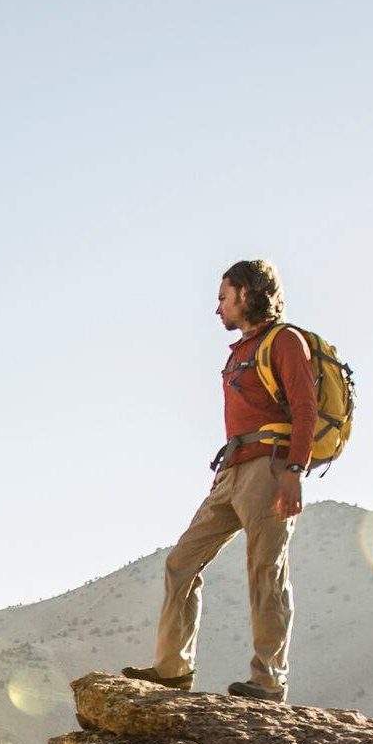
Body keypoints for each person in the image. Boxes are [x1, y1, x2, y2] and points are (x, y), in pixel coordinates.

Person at [120, 259, 313, 702]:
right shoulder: (240, 350)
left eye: (222, 297)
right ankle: (172, 669)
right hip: (231, 470)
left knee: (266, 571)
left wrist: (294, 472)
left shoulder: (285, 341)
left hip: (270, 468)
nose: (217, 309)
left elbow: (305, 410)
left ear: (245, 294)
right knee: (181, 563)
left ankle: (268, 680)